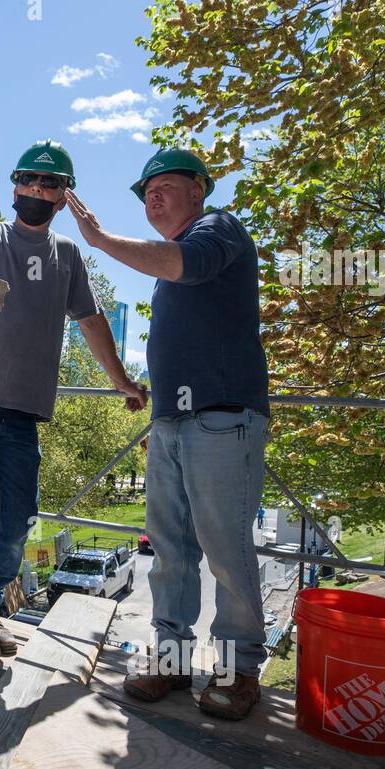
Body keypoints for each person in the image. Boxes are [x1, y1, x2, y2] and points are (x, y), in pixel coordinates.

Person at [64, 149, 270, 720]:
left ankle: (238, 670)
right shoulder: (167, 265)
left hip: (224, 417)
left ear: (199, 190)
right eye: (145, 189)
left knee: (226, 546)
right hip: (176, 422)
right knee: (168, 547)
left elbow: (187, 265)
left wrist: (101, 240)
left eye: (165, 185)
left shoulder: (216, 230)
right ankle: (173, 657)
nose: (152, 194)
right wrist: (161, 420)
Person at [0, 140, 146, 661]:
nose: (36, 189)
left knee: (18, 519)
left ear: (64, 198)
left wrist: (121, 380)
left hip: (20, 414)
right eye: (28, 178)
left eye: (49, 183)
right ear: (14, 184)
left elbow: (92, 322)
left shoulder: (68, 257)